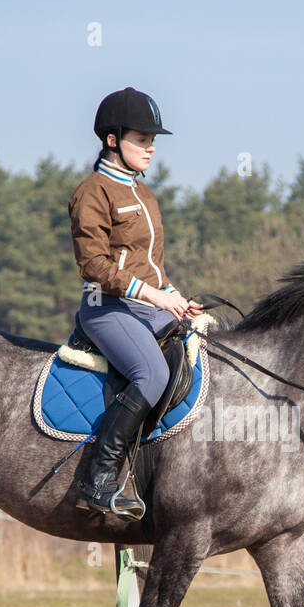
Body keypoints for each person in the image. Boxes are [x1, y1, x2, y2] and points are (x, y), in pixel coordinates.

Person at [68, 87, 201, 519]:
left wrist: (178, 301)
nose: (150, 148)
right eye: (141, 139)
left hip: (147, 306)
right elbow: (94, 266)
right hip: (104, 308)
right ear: (112, 140)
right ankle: (99, 480)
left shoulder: (145, 196)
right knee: (151, 373)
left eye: (152, 140)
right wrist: (155, 296)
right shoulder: (92, 192)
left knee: (200, 349)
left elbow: (152, 268)